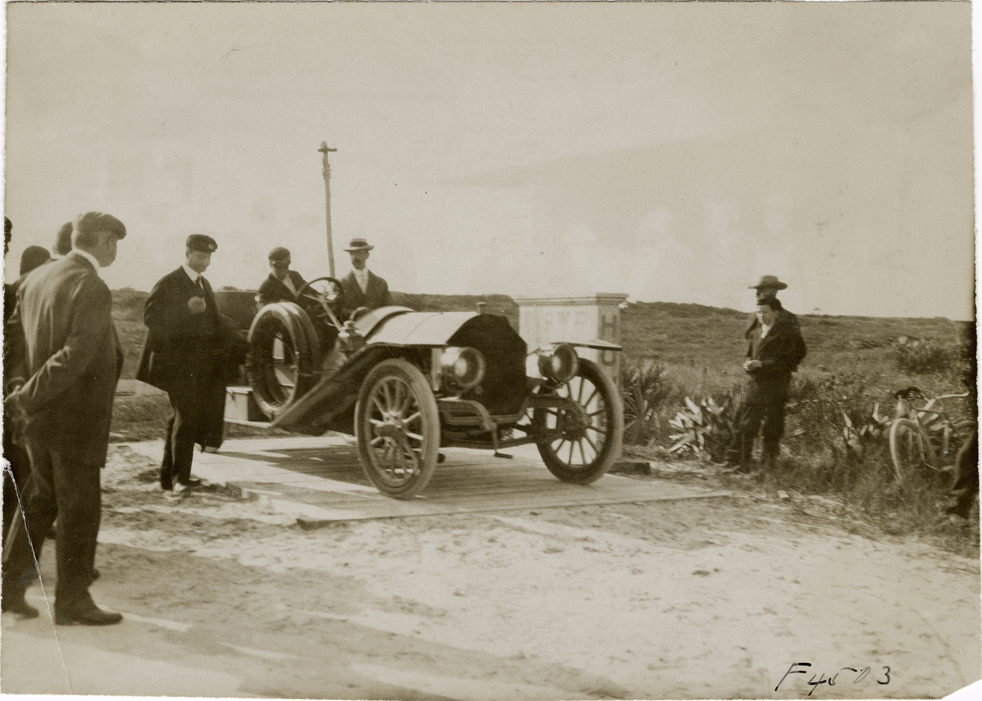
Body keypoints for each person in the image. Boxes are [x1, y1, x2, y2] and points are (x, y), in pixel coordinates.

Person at [2, 211, 127, 625]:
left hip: (38, 421)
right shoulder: (91, 285)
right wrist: (26, 397)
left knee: (40, 500)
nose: (115, 251)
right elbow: (75, 356)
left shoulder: (36, 278)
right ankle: (73, 601)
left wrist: (22, 391)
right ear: (105, 241)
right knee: (79, 508)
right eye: (114, 242)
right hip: (75, 419)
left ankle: (8, 589)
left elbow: (16, 342)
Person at [137, 235, 232, 498]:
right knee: (187, 416)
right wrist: (184, 310)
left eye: (208, 257)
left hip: (196, 366)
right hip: (174, 365)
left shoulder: (203, 283)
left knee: (180, 417)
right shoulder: (170, 282)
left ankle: (169, 479)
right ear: (188, 254)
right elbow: (150, 317)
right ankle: (180, 480)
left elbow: (213, 320)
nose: (205, 262)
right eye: (200, 256)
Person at [2, 245, 53, 541]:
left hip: (15, 387)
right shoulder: (21, 293)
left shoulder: (15, 290)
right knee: (21, 461)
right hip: (16, 389)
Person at [726, 296, 807, 470]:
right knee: (746, 424)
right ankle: (741, 462)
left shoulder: (786, 334)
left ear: (776, 313)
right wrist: (748, 364)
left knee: (773, 427)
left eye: (766, 312)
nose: (762, 315)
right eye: (759, 312)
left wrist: (763, 364)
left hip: (776, 385)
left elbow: (792, 360)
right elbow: (750, 355)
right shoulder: (755, 333)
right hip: (755, 384)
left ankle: (769, 464)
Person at [338, 237, 393, 319]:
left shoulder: (381, 283)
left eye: (358, 253)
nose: (354, 257)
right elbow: (336, 312)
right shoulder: (340, 284)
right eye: (351, 254)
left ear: (367, 255)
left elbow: (387, 310)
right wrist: (356, 314)